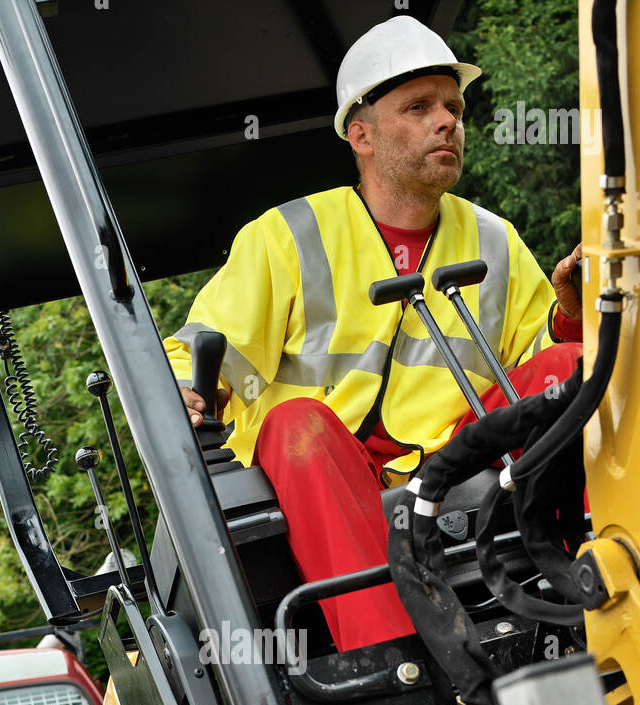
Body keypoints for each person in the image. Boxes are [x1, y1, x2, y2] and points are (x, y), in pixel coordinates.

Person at [164, 15, 584, 651]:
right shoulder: (287, 235)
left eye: (452, 107)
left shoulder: (494, 240)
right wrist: (186, 390)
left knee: (576, 366)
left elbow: (534, 366)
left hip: (455, 455)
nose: (446, 121)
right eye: (418, 107)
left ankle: (592, 582)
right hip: (330, 469)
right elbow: (198, 351)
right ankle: (391, 655)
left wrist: (570, 321)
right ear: (360, 134)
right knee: (296, 423)